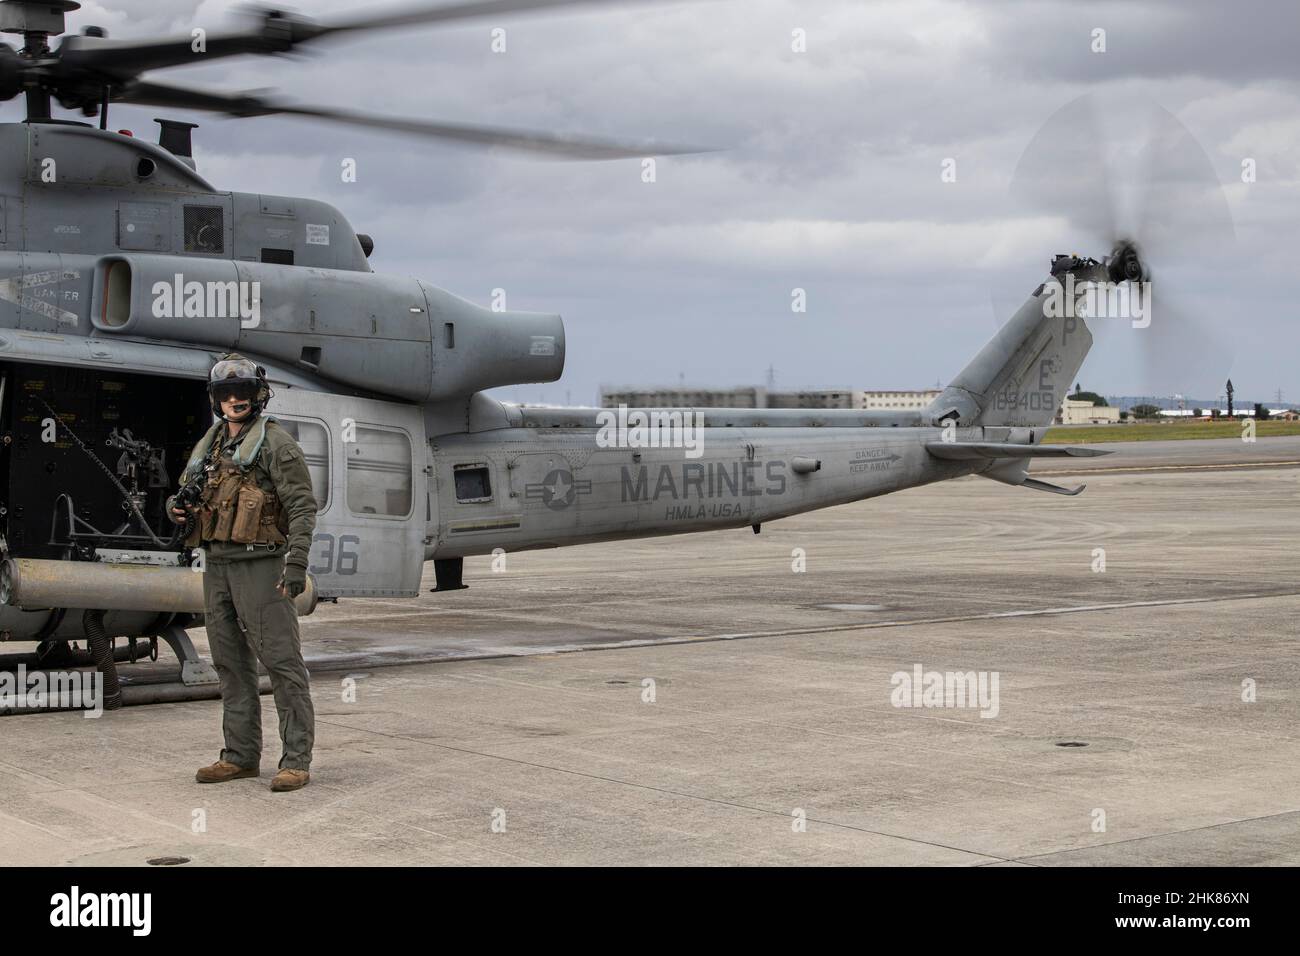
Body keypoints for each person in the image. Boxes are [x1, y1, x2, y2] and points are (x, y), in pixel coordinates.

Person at [167, 354, 318, 792]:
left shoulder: (276, 444)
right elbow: (186, 494)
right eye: (226, 393)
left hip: (262, 565)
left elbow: (302, 507)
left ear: (258, 394)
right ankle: (240, 756)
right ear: (216, 400)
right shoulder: (210, 446)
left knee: (282, 663)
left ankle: (296, 759)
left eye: (244, 392)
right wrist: (174, 509)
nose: (235, 399)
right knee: (230, 665)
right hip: (218, 565)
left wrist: (296, 564)